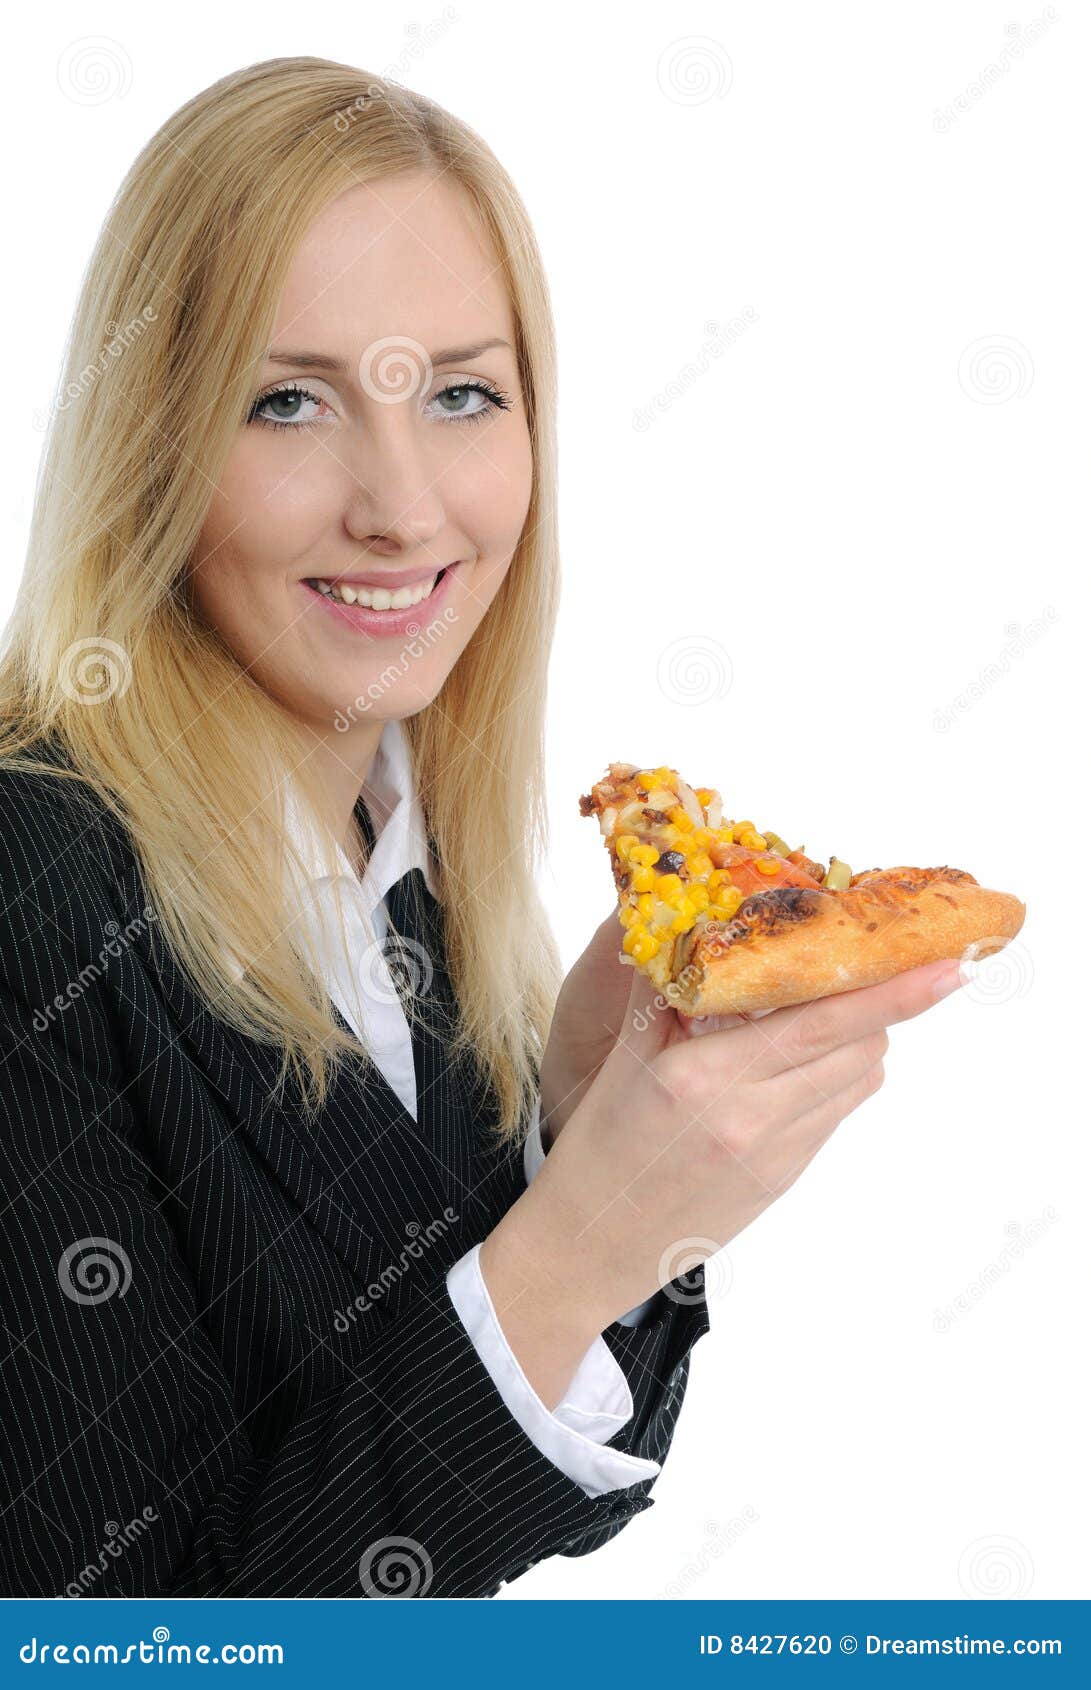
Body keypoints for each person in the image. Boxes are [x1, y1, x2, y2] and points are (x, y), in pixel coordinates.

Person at [0, 57, 965, 1599]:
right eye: (288, 400)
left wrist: (573, 1140)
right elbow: (116, 1641)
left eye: (461, 392)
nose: (403, 505)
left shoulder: (402, 866)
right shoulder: (29, 886)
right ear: (152, 443)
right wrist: (574, 1245)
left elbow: (540, 1503)